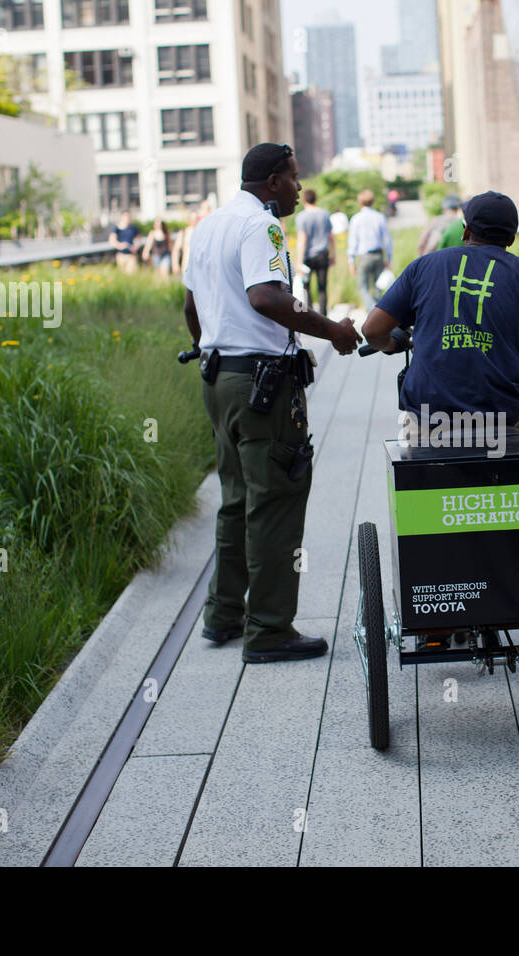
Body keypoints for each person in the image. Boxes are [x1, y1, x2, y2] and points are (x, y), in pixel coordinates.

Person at [183, 142, 363, 662]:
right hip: (262, 388)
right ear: (271, 182)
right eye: (294, 177)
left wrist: (206, 346)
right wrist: (331, 330)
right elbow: (265, 297)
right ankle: (269, 630)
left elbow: (192, 306)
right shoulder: (262, 226)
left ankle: (223, 615)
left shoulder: (209, 225)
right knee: (276, 501)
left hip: (219, 381)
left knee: (236, 498)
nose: (299, 188)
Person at [361, 190, 519, 440]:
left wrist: (391, 344)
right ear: (511, 238)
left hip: (430, 419)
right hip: (502, 421)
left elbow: (371, 330)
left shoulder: (424, 266)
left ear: (466, 231)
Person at [347, 190, 392, 311]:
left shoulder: (356, 219)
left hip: (364, 256)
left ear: (359, 202)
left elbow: (353, 241)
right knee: (378, 286)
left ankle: (371, 308)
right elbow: (387, 240)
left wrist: (351, 261)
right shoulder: (379, 217)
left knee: (363, 286)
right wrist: (389, 258)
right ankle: (378, 311)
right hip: (378, 255)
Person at [294, 189, 334, 314]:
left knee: (307, 287)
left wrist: (299, 261)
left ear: (304, 200)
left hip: (308, 256)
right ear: (315, 199)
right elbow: (330, 236)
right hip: (323, 254)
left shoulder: (301, 217)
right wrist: (333, 254)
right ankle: (323, 314)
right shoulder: (325, 214)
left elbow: (302, 240)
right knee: (322, 287)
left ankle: (311, 313)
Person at [171, 210, 201, 276]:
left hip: (200, 268)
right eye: (192, 219)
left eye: (196, 219)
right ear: (189, 220)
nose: (194, 221)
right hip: (187, 268)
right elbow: (176, 250)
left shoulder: (203, 232)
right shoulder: (183, 233)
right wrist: (175, 265)